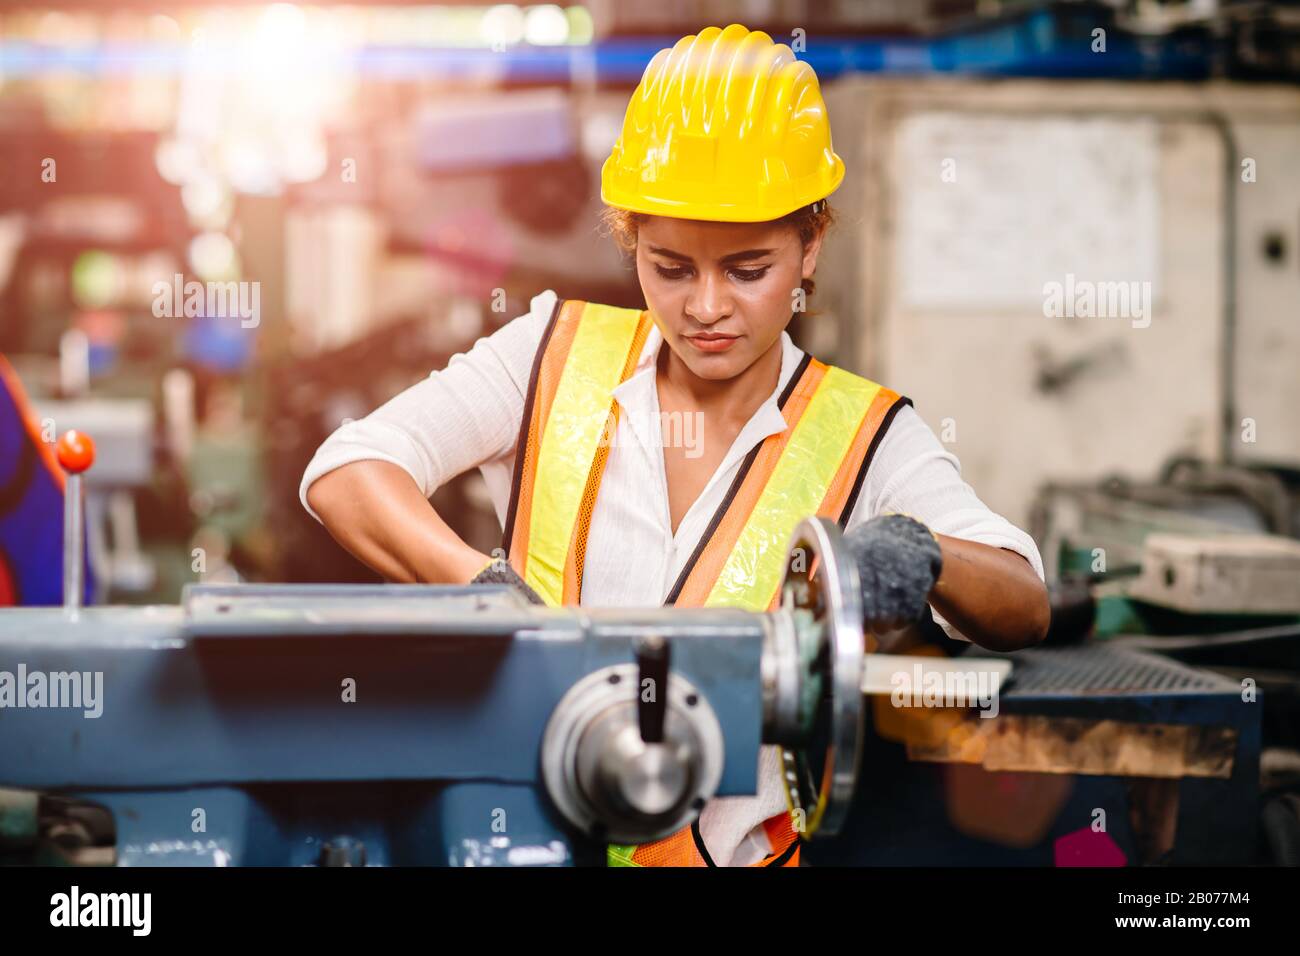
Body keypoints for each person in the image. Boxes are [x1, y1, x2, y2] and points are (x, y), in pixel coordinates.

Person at [301, 23, 1050, 867]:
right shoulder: (549, 355)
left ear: (811, 247)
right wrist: (480, 589)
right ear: (629, 241)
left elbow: (1021, 603)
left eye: (746, 268)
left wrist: (922, 552)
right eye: (670, 266)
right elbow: (349, 471)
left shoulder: (866, 434)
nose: (704, 307)